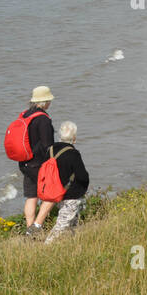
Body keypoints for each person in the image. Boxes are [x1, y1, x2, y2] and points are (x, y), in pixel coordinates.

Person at [44, 121, 90, 244]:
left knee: (72, 222)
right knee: (62, 224)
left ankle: (71, 244)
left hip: (55, 192)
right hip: (71, 193)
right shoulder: (73, 154)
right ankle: (45, 247)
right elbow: (82, 176)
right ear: (74, 138)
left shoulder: (51, 150)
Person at [19, 86, 56, 236]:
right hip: (38, 164)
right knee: (53, 194)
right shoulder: (43, 119)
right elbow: (48, 145)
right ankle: (37, 226)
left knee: (31, 195)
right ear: (45, 101)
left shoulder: (24, 115)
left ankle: (29, 229)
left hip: (24, 162)